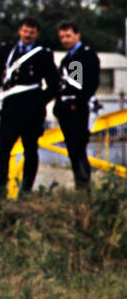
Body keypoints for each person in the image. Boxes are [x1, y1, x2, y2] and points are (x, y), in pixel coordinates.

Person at [0, 16, 59, 198]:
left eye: (32, 32)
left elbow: (54, 84)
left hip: (32, 110)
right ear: (20, 31)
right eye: (25, 31)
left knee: (30, 150)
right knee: (3, 149)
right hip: (10, 107)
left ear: (37, 34)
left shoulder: (43, 54)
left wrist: (39, 101)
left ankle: (25, 192)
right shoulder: (7, 50)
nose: (28, 35)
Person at [54, 20, 100, 190]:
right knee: (73, 151)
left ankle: (84, 189)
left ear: (77, 35)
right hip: (67, 110)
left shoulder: (86, 54)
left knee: (79, 150)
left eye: (68, 36)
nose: (65, 40)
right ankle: (80, 187)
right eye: (62, 37)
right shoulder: (67, 59)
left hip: (80, 109)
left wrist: (77, 103)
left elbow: (90, 83)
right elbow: (65, 85)